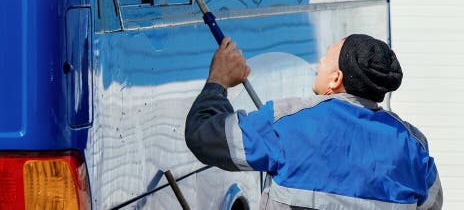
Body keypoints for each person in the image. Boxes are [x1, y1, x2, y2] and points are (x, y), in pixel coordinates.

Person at [185, 33, 443, 209]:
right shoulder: (413, 147)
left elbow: (203, 135)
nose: (320, 61)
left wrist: (218, 80)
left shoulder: (288, 124)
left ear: (336, 79)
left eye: (327, 57)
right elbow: (432, 203)